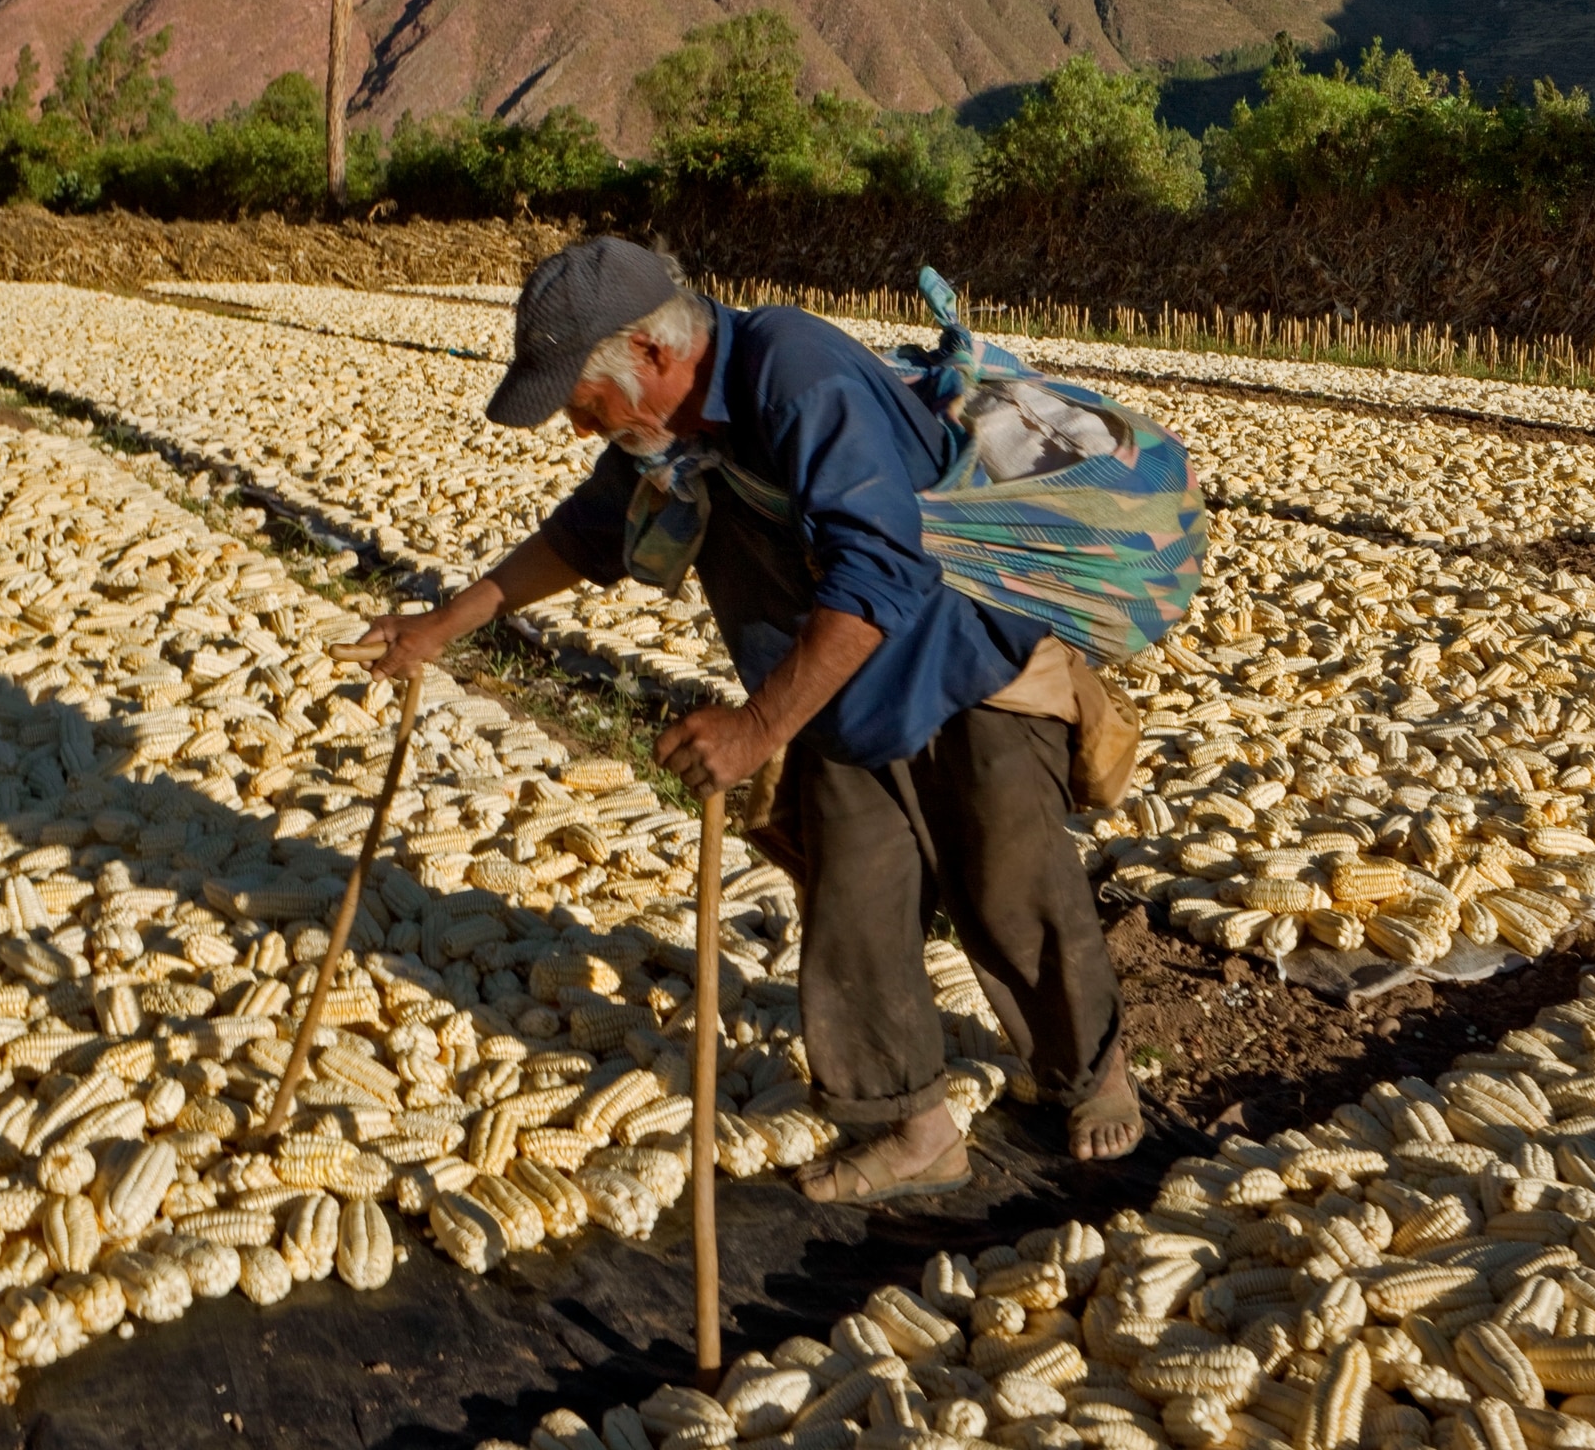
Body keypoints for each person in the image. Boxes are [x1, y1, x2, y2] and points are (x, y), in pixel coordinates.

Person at [351, 238, 1140, 1201]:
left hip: (960, 654)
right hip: (835, 681)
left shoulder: (793, 374)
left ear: (647, 352)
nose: (574, 425)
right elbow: (583, 533)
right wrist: (441, 625)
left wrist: (758, 729)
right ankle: (915, 1125)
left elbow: (878, 568)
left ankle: (1091, 1071)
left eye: (580, 400)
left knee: (1009, 868)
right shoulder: (666, 432)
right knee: (852, 887)